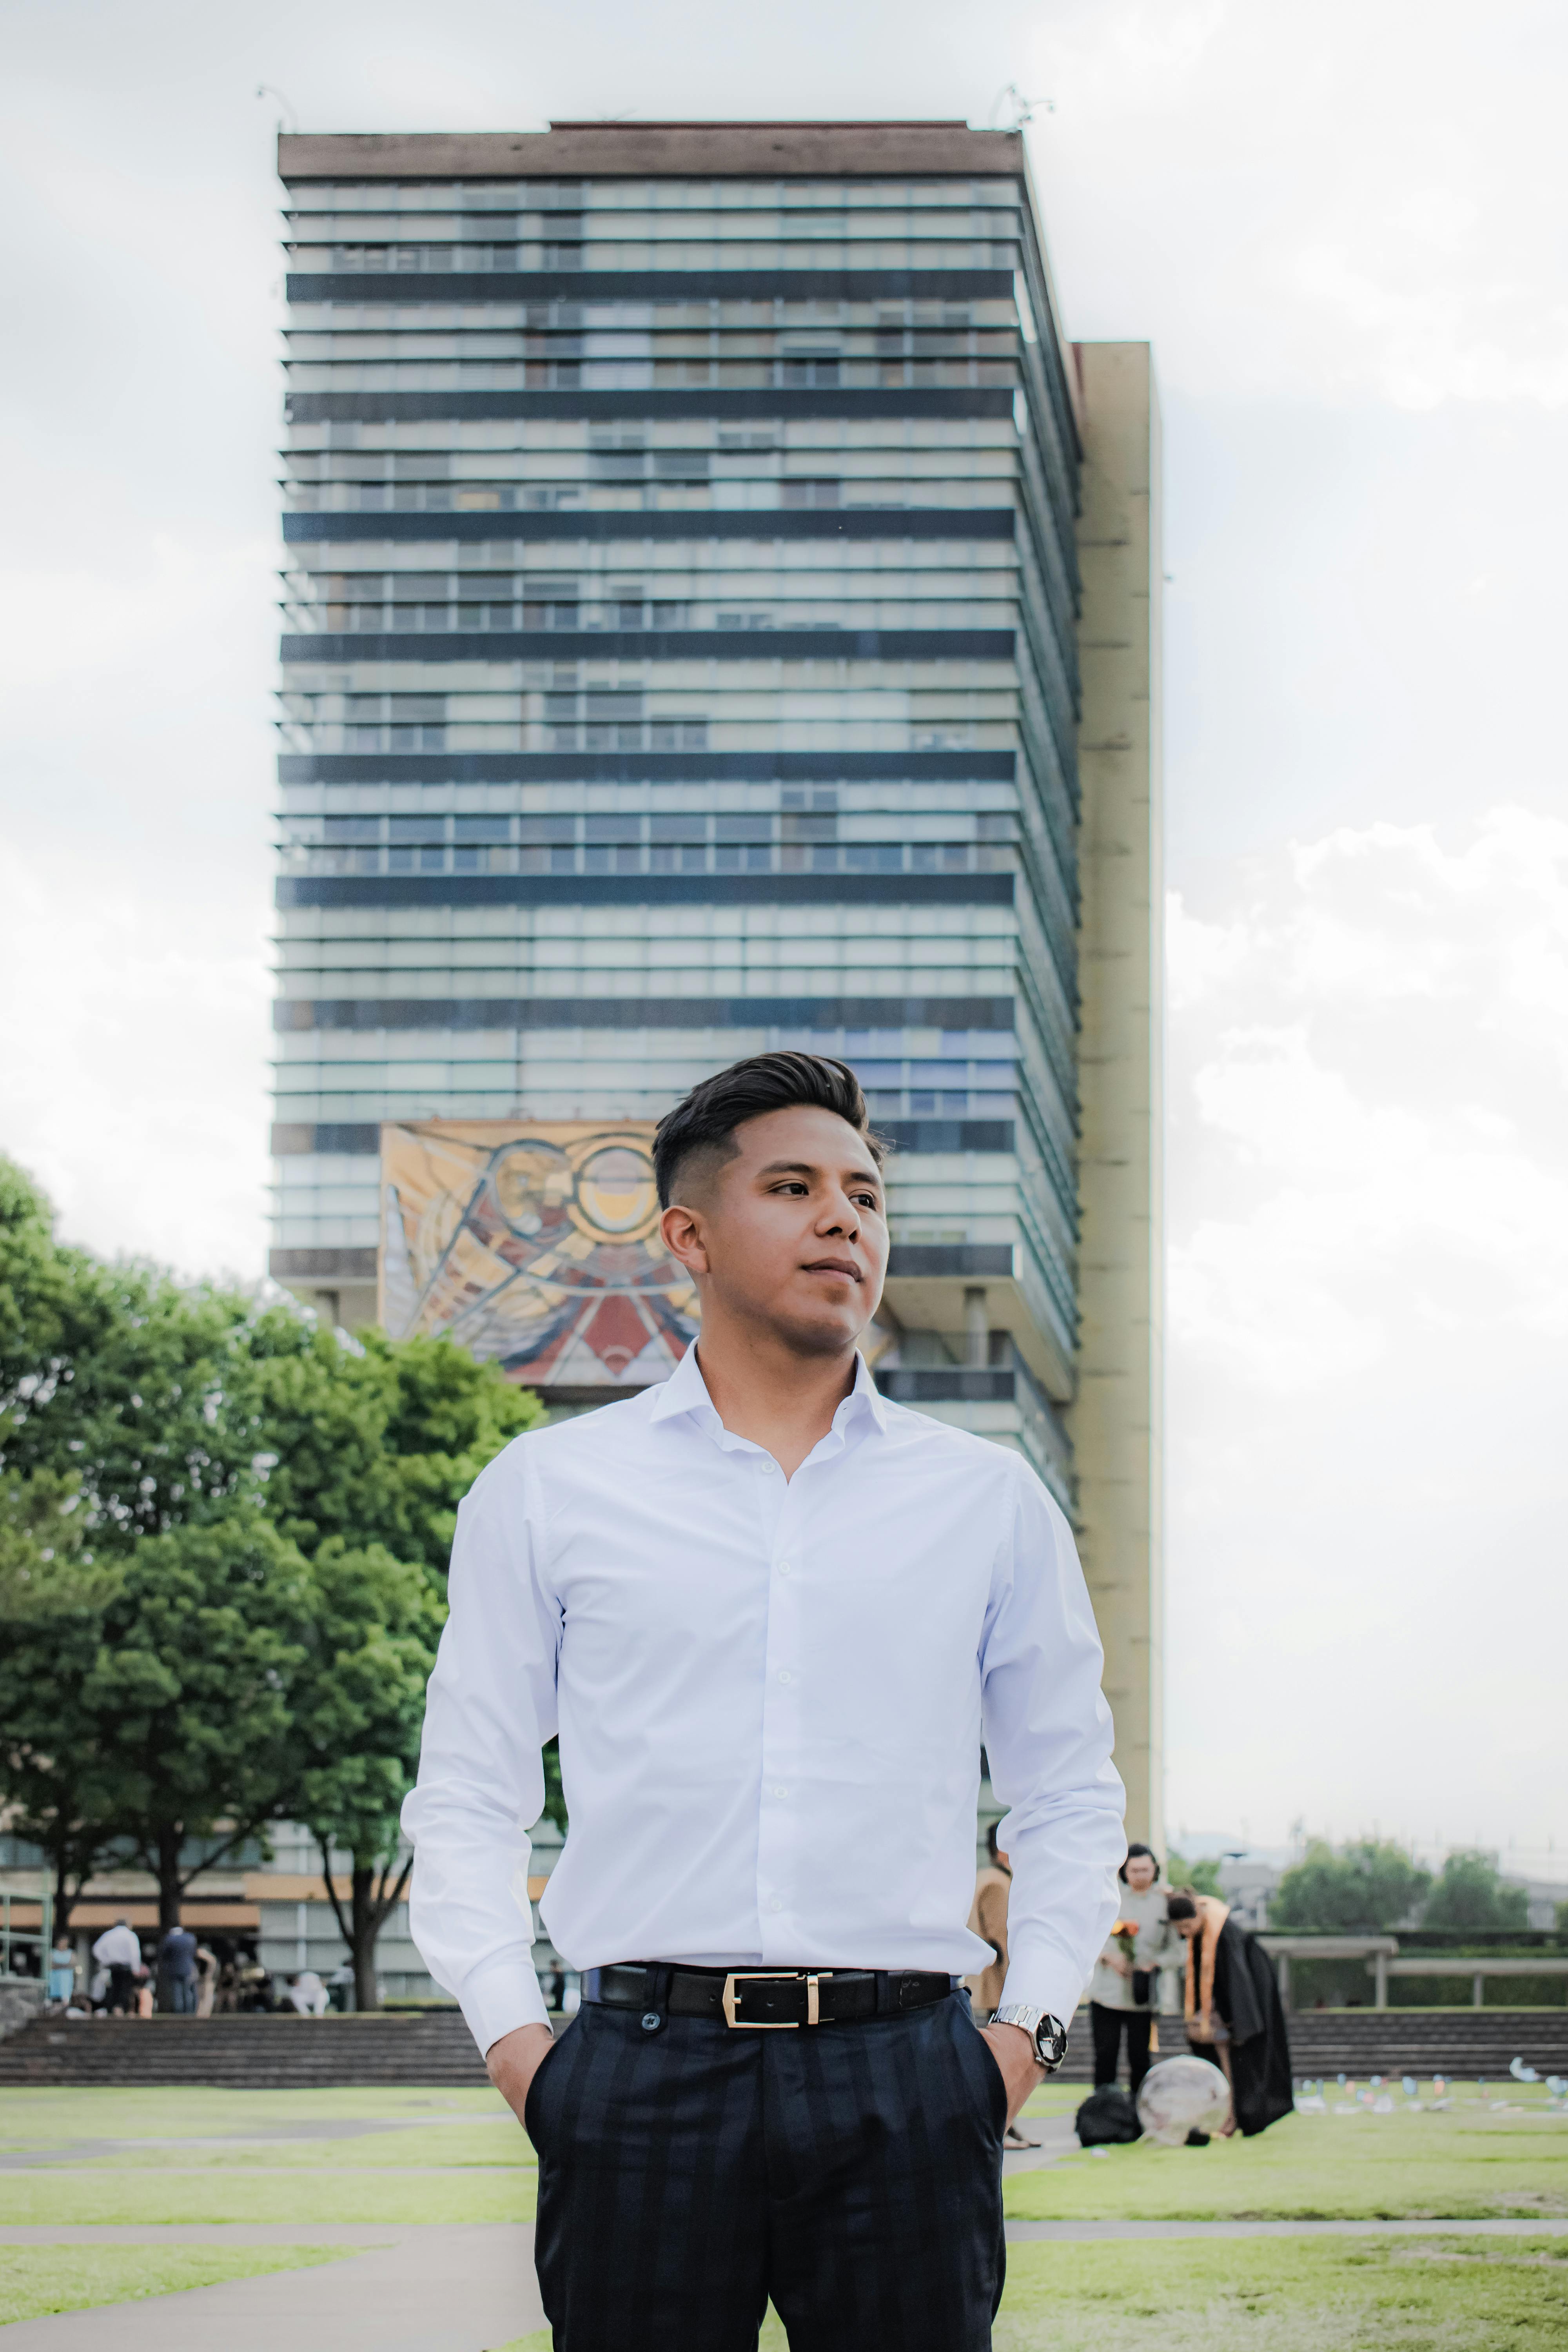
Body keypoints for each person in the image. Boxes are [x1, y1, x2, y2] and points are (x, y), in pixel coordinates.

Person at [404, 1052, 1125, 2352]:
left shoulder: (989, 1504)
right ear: (688, 1234)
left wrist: (1027, 2034)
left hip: (911, 2074)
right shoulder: (550, 1490)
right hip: (636, 2073)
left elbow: (1069, 1791)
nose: (843, 1218)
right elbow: (466, 1786)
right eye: (792, 1187)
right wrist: (520, 2044)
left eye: (863, 1193)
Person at [1167, 1891, 1293, 2136]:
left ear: (1199, 1915)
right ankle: (1228, 2117)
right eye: (1179, 1928)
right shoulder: (1202, 1930)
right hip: (1228, 2009)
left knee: (1245, 2057)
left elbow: (1237, 1982)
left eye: (1187, 1926)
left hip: (1251, 1998)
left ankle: (1243, 2116)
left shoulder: (1223, 1933)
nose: (1184, 1933)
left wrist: (1235, 2022)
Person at [963, 1823, 1037, 2151]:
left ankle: (1006, 2130)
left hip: (978, 1980)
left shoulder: (983, 1877)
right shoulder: (998, 1883)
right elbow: (1001, 1937)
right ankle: (1002, 2131)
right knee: (1000, 2061)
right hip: (995, 1984)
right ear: (1005, 1849)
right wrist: (1019, 1988)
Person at [1087, 1842, 1174, 2098]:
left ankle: (1141, 2112)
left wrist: (1156, 1963)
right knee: (1105, 2056)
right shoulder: (1108, 1897)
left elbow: (1177, 1950)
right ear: (1124, 1871)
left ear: (1155, 1870)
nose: (1140, 1876)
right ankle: (1103, 2111)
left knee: (1140, 2058)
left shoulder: (1165, 1903)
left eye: (1145, 1870)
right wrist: (1108, 1957)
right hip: (1107, 1993)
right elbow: (1087, 1937)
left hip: (1142, 1995)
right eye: (1134, 1870)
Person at [91, 1918, 141, 2016]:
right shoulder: (130, 1935)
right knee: (124, 1989)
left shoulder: (109, 1935)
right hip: (126, 1967)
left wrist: (106, 1960)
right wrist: (136, 1968)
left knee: (113, 1989)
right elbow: (135, 1953)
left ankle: (112, 2009)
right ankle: (122, 2009)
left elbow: (96, 1949)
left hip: (112, 1967)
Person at [157, 1922, 199, 2014]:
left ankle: (179, 2013)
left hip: (174, 1970)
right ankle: (189, 2012)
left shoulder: (169, 1939)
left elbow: (164, 1955)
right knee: (188, 1993)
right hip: (189, 1969)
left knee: (177, 1994)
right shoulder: (190, 1938)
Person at [47, 1935, 76, 2009]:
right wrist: (65, 1966)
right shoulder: (53, 1953)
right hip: (54, 1980)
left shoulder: (71, 1953)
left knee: (65, 2000)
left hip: (66, 1981)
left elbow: (73, 1965)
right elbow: (50, 1965)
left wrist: (58, 1966)